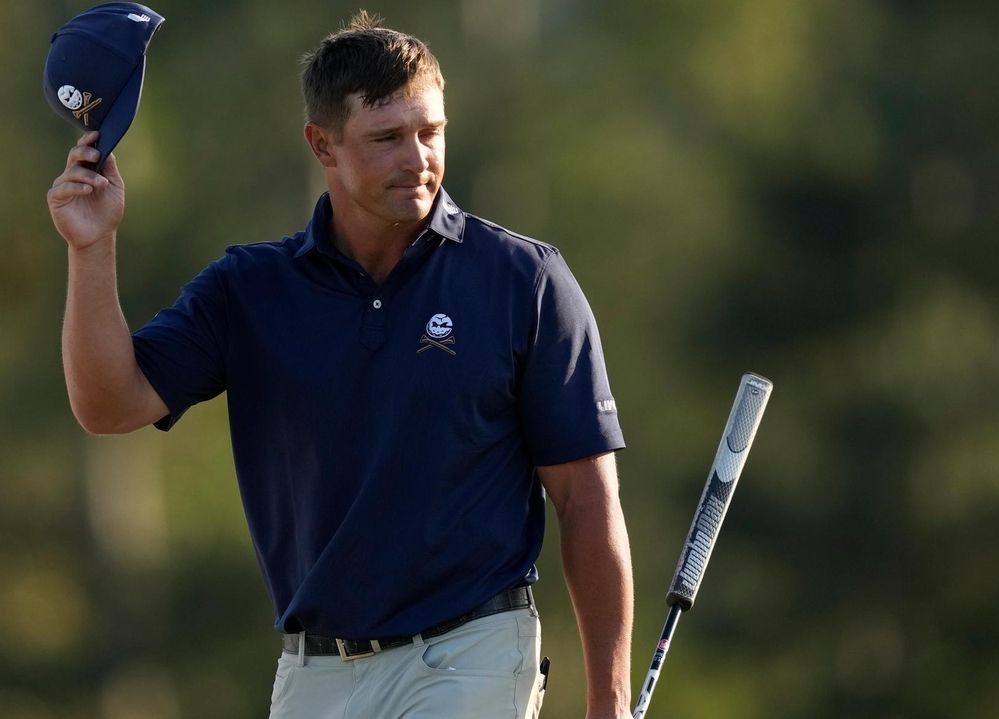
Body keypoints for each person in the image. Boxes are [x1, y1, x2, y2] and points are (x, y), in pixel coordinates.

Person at [47, 11, 633, 718]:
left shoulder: (522, 280)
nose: (417, 158)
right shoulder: (249, 289)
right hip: (315, 671)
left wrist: (608, 697)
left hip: (472, 650)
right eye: (387, 139)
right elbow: (110, 405)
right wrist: (91, 247)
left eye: (430, 132)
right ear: (321, 145)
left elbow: (587, 499)